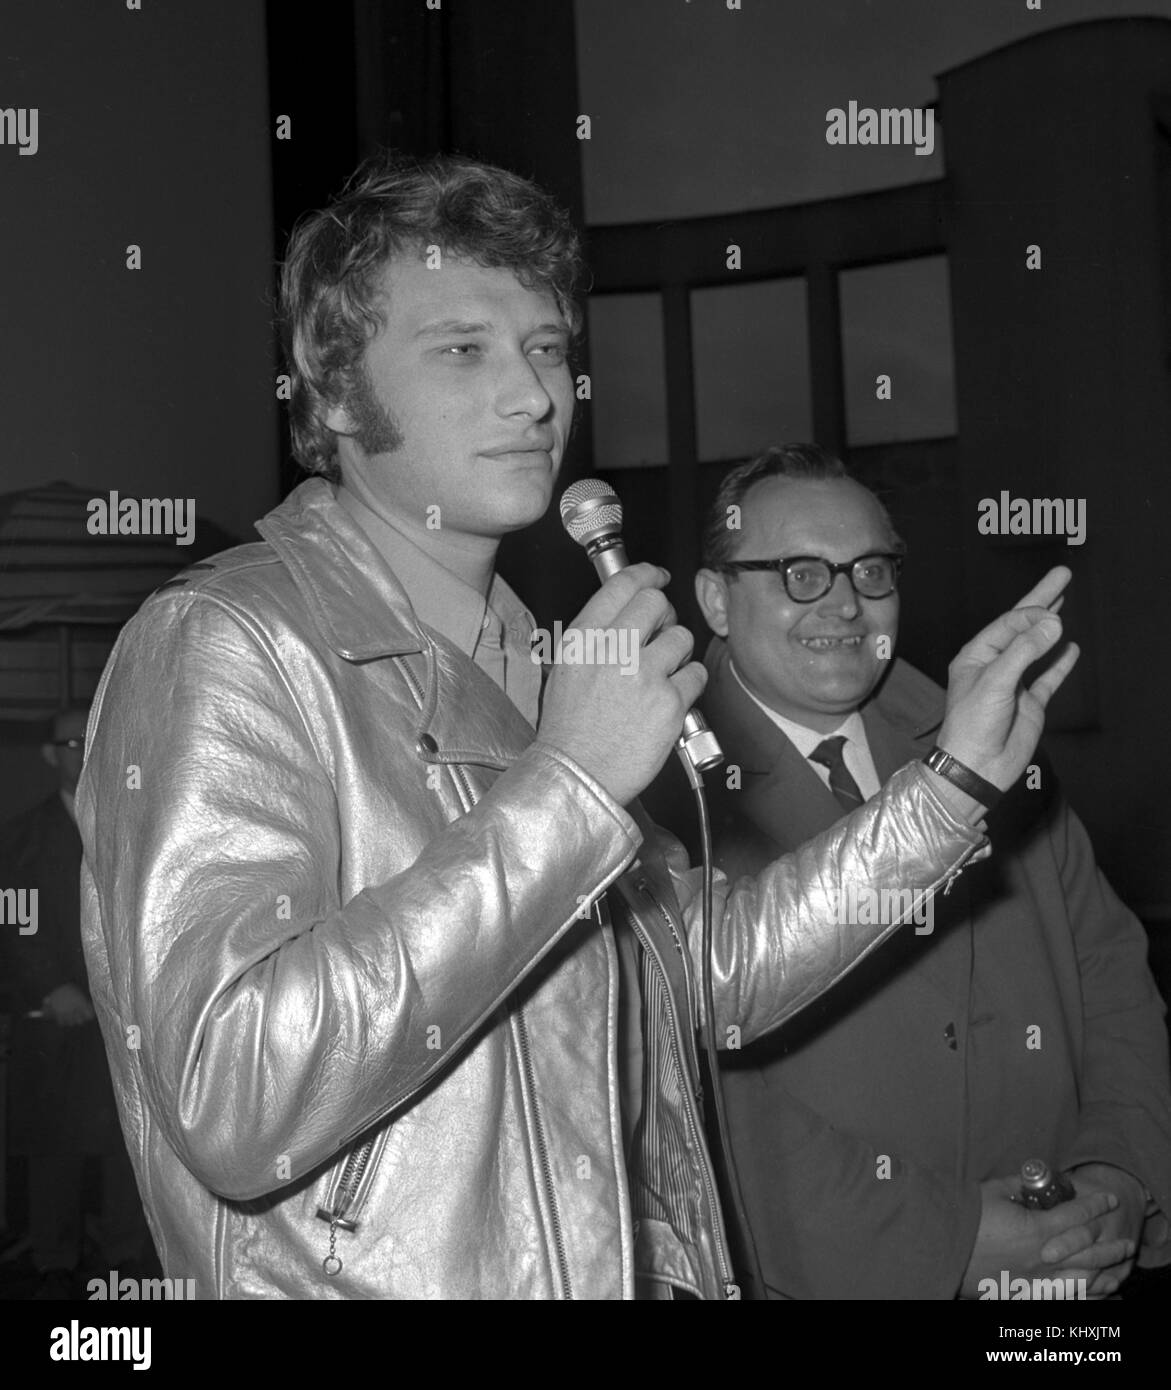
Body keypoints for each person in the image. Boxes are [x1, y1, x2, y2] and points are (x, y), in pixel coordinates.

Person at [78, 154, 1092, 1300]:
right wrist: (567, 784)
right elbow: (232, 1090)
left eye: (548, 347)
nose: (535, 395)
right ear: (336, 381)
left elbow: (703, 976)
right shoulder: (226, 639)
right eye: (463, 348)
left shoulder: (536, 659)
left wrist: (948, 784)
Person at [688, 443, 1171, 1300]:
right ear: (715, 600)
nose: (843, 602)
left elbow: (1110, 979)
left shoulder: (981, 731)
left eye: (871, 570)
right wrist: (946, 1241)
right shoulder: (659, 789)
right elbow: (693, 1089)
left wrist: (1118, 1178)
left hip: (1066, 1270)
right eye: (799, 571)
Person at [0, 708, 151, 1299]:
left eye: (93, 740)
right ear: (48, 754)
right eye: (71, 742)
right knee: (55, 1145)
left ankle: (125, 1263)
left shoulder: (132, 828)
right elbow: (14, 919)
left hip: (123, 1023)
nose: (84, 752)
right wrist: (47, 988)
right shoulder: (21, 837)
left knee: (127, 1143)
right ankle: (54, 1264)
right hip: (56, 1021)